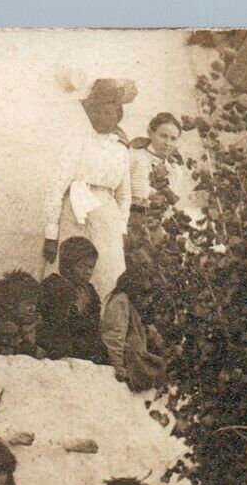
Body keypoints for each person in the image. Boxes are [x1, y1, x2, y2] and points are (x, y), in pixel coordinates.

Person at [44, 78, 135, 299]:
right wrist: (51, 234)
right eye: (97, 112)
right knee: (72, 269)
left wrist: (121, 228)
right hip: (76, 213)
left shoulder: (121, 151)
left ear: (117, 115)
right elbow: (56, 187)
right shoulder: (77, 143)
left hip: (107, 217)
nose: (102, 118)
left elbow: (124, 195)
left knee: (107, 270)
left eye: (109, 113)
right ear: (90, 113)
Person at [101, 244, 169, 391]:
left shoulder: (135, 305)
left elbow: (151, 334)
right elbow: (114, 336)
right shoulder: (121, 300)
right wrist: (118, 366)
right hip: (128, 361)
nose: (147, 299)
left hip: (136, 357)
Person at [39, 236, 109, 363]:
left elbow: (93, 327)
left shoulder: (90, 291)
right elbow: (55, 325)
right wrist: (76, 310)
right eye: (82, 266)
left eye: (91, 267)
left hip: (84, 349)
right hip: (59, 350)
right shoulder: (53, 286)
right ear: (68, 265)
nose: (88, 272)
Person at [128, 112, 187, 214]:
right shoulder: (133, 156)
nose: (167, 143)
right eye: (163, 136)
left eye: (173, 139)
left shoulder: (175, 170)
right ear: (150, 133)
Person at [0, 270, 44, 357]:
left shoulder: (11, 318)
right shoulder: (1, 324)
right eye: (28, 304)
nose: (33, 309)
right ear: (10, 303)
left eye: (34, 304)